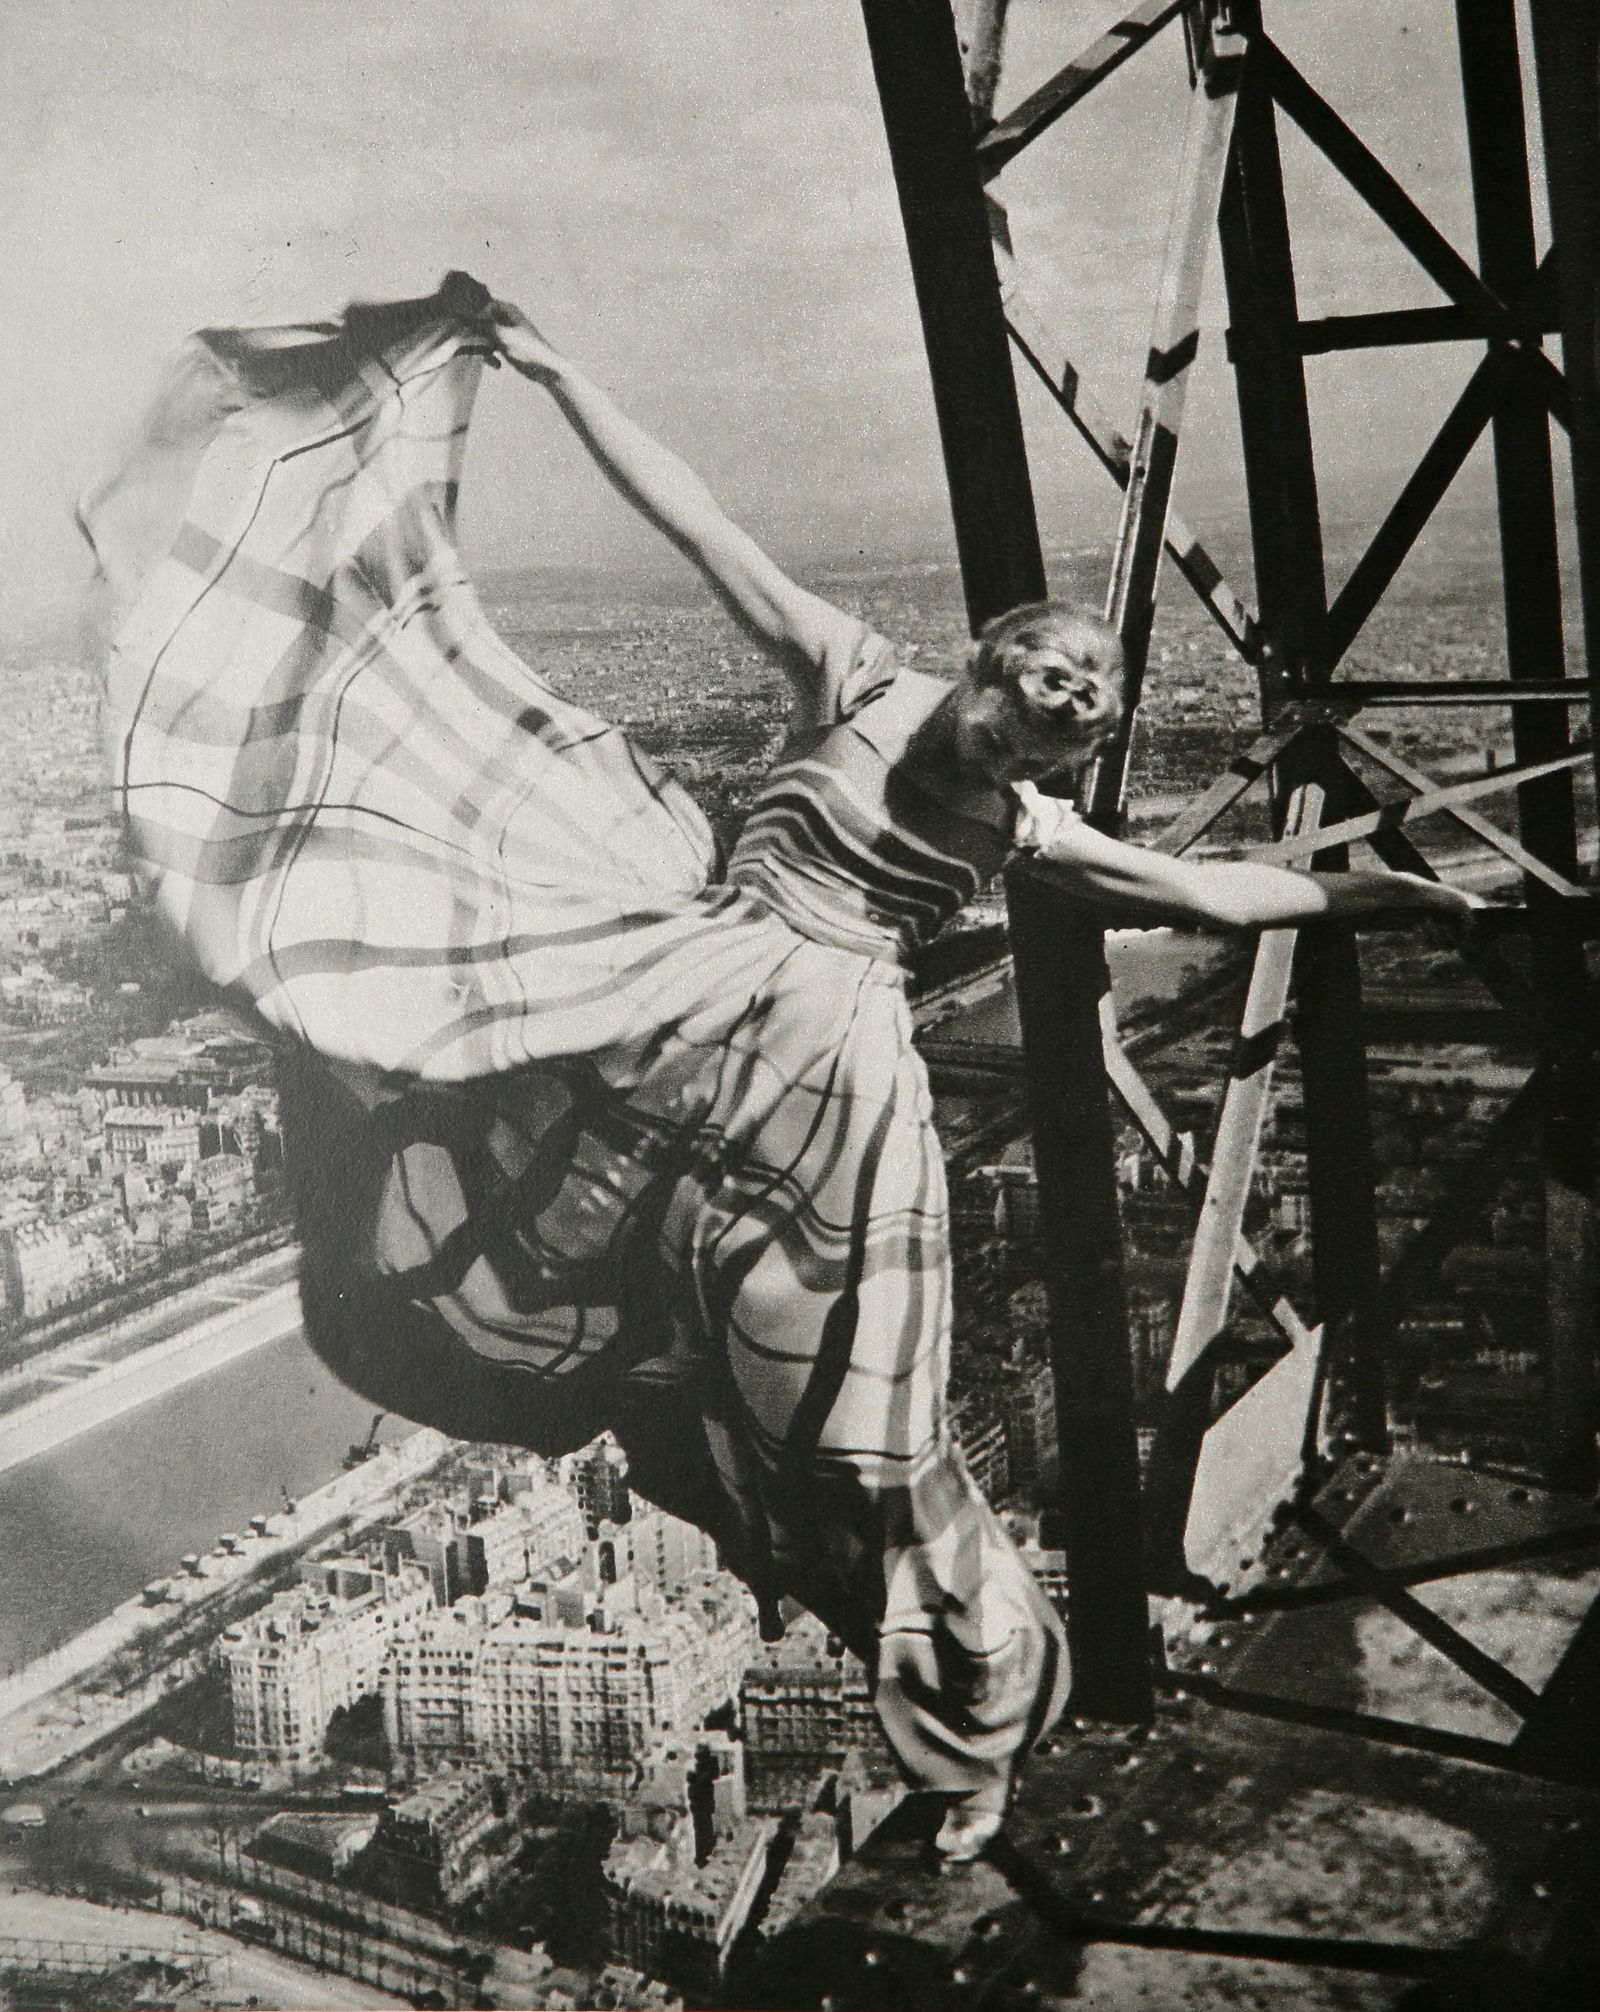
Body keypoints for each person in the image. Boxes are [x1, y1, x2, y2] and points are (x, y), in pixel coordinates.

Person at [87, 276, 1471, 1864]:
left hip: (825, 1100)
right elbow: (697, 521)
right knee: (406, 1028)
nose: (1070, 707)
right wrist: (551, 365)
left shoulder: (1025, 827)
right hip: (669, 988)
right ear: (997, 659)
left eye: (1085, 712)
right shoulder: (854, 672)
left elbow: (1232, 893)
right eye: (1059, 675)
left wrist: (1414, 890)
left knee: (876, 1448)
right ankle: (834, 1604)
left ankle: (976, 1738)